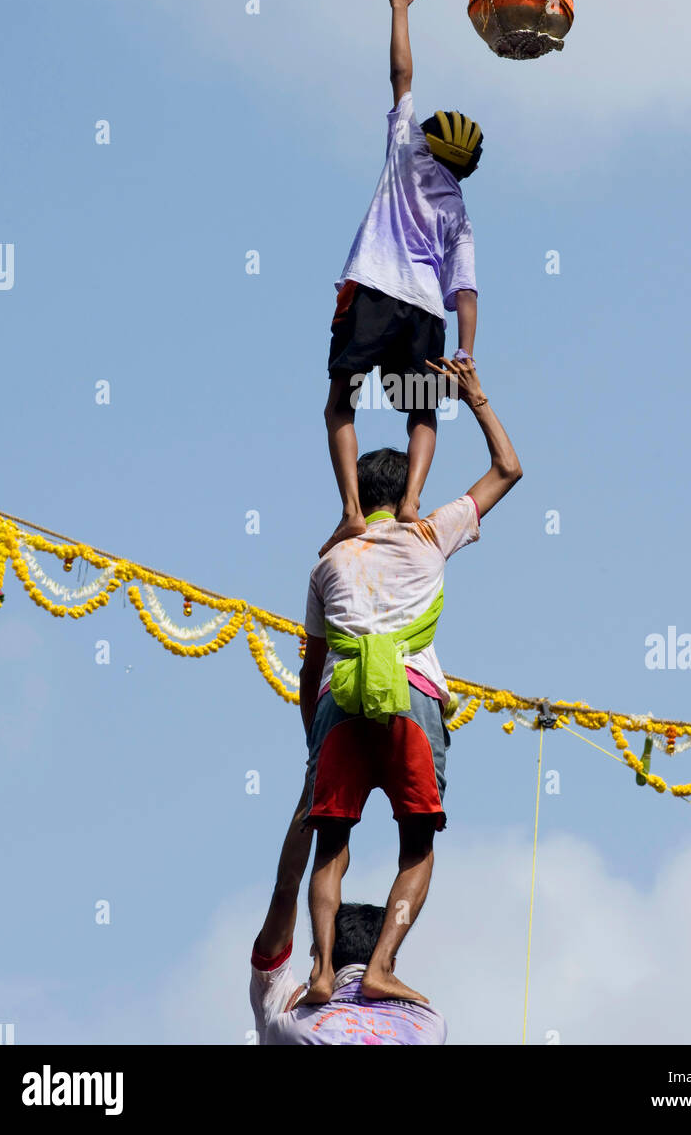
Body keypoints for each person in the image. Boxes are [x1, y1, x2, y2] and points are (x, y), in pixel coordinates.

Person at [300, 357, 522, 1005]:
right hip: (413, 699)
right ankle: (383, 964)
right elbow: (509, 470)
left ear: (356, 494)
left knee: (333, 843)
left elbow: (309, 666)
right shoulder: (427, 533)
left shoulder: (329, 560)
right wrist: (477, 398)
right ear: (403, 494)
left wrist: (311, 742)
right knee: (417, 842)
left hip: (338, 704)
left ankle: (319, 973)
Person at [321, 0, 484, 556]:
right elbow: (465, 292)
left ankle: (352, 513)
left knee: (341, 401)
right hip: (424, 315)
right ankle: (412, 501)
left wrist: (398, 8)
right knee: (422, 413)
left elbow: (401, 74)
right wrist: (464, 355)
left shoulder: (405, 148)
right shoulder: (459, 214)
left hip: (371, 292)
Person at [249, 784, 446, 1045]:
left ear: (315, 948)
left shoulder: (285, 1004)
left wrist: (313, 790)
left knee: (330, 847)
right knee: (417, 853)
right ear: (391, 964)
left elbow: (286, 890)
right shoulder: (424, 1022)